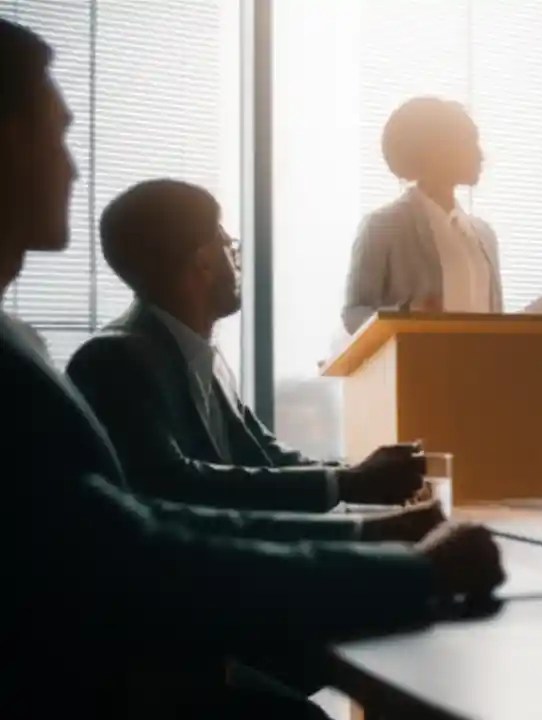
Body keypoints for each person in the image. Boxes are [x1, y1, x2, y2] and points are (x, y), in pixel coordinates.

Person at [0, 18, 504, 716]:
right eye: (57, 135)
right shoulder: (99, 360)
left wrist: (368, 521)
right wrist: (401, 566)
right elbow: (147, 536)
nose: (73, 166)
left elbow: (220, 486)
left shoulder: (81, 350)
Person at [68, 179, 426, 513]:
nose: (237, 262)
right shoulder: (111, 361)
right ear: (204, 262)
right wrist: (348, 483)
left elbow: (264, 455)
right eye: (229, 247)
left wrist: (360, 477)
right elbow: (173, 485)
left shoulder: (203, 356)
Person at [342, 96, 502, 333]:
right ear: (438, 150)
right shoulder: (383, 227)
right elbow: (354, 314)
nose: (480, 155)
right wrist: (407, 314)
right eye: (469, 142)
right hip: (418, 356)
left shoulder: (484, 235)